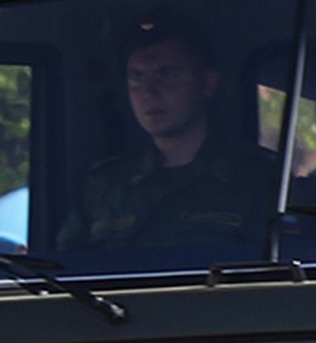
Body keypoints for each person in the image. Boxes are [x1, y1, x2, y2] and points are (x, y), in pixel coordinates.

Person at [76, 18, 272, 262]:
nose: (149, 92)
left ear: (207, 84)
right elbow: (65, 272)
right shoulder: (105, 185)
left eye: (167, 74)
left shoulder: (262, 179)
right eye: (137, 77)